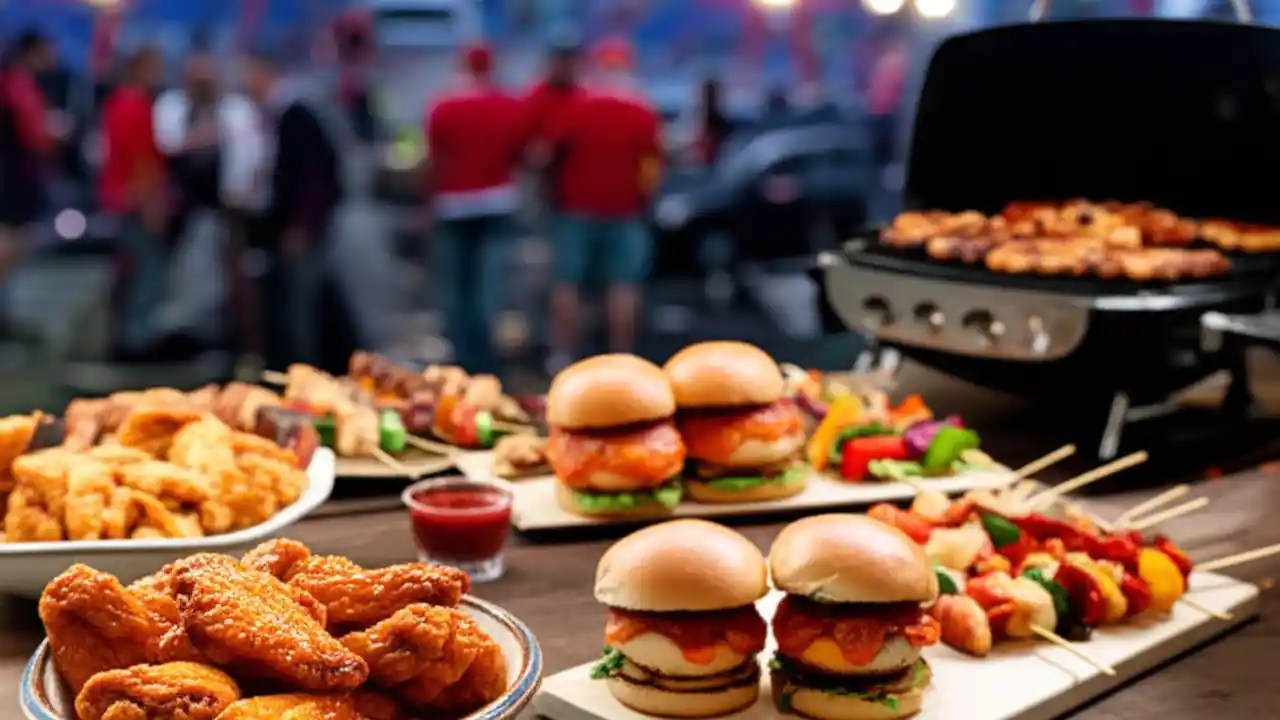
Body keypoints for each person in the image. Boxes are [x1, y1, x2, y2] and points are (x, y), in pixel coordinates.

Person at [547, 37, 662, 368]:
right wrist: (643, 199)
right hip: (625, 211)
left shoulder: (578, 106)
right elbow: (651, 166)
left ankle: (563, 356)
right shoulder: (641, 109)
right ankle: (621, 358)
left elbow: (550, 153)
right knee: (623, 285)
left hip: (576, 209)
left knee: (568, 284)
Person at [153, 50, 264, 358]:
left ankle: (236, 347)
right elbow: (167, 144)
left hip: (227, 208)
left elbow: (253, 153)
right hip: (182, 211)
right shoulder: (172, 107)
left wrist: (242, 191)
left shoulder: (236, 110)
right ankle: (183, 341)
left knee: (233, 278)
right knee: (182, 277)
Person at [424, 43, 527, 375]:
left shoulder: (444, 105)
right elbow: (521, 155)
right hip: (497, 204)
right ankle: (486, 361)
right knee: (488, 285)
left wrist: (426, 202)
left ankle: (460, 357)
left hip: (453, 206)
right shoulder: (509, 105)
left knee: (454, 286)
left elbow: (434, 161)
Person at [243, 50, 342, 369]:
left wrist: (302, 226)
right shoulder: (273, 116)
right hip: (282, 230)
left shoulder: (295, 116)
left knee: (301, 309)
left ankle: (307, 378)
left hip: (301, 232)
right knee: (286, 307)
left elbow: (318, 177)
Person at [99, 45, 168, 357]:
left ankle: (126, 336)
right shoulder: (134, 105)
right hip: (134, 203)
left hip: (121, 200)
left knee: (130, 270)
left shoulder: (117, 103)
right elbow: (141, 160)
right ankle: (136, 341)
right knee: (145, 271)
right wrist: (151, 202)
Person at [0, 30, 57, 339]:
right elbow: (35, 135)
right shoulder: (18, 84)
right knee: (7, 247)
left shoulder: (12, 82)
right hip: (13, 180)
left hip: (13, 178)